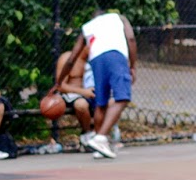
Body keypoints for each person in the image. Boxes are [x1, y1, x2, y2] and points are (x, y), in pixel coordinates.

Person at [53, 9, 137, 159]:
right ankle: (101, 137)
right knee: (123, 98)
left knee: (101, 103)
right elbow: (130, 38)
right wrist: (133, 65)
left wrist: (59, 82)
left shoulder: (88, 27)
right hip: (115, 54)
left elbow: (71, 59)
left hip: (96, 59)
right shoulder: (118, 18)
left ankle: (99, 148)